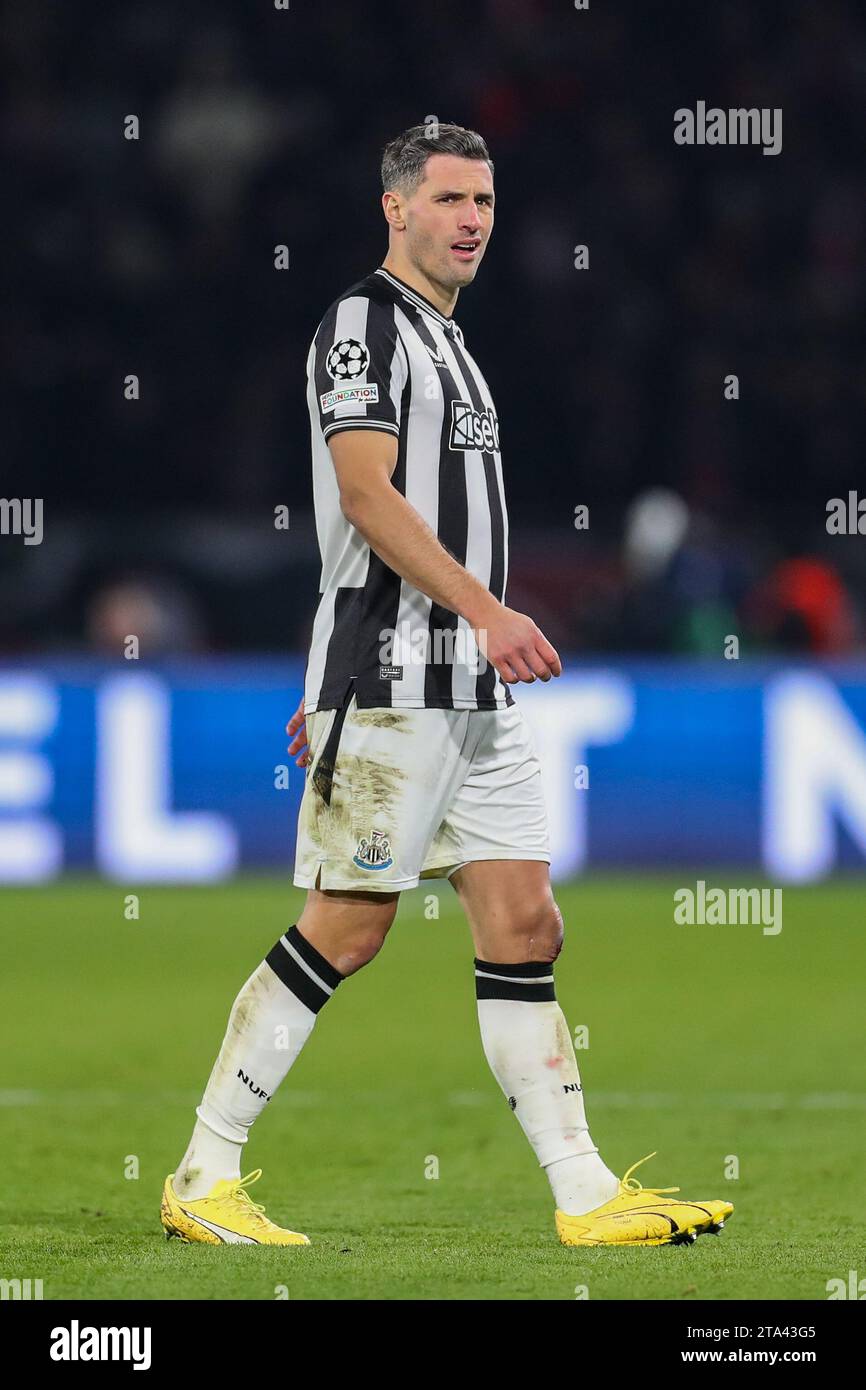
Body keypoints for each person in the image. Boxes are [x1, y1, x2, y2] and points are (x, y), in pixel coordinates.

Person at [161, 123, 732, 1248]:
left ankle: (583, 1195)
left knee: (525, 922)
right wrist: (465, 619)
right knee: (349, 923)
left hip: (468, 692)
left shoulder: (454, 343)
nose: (472, 218)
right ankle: (201, 1171)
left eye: (483, 200)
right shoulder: (363, 325)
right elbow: (365, 496)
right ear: (395, 208)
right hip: (397, 676)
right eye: (449, 199)